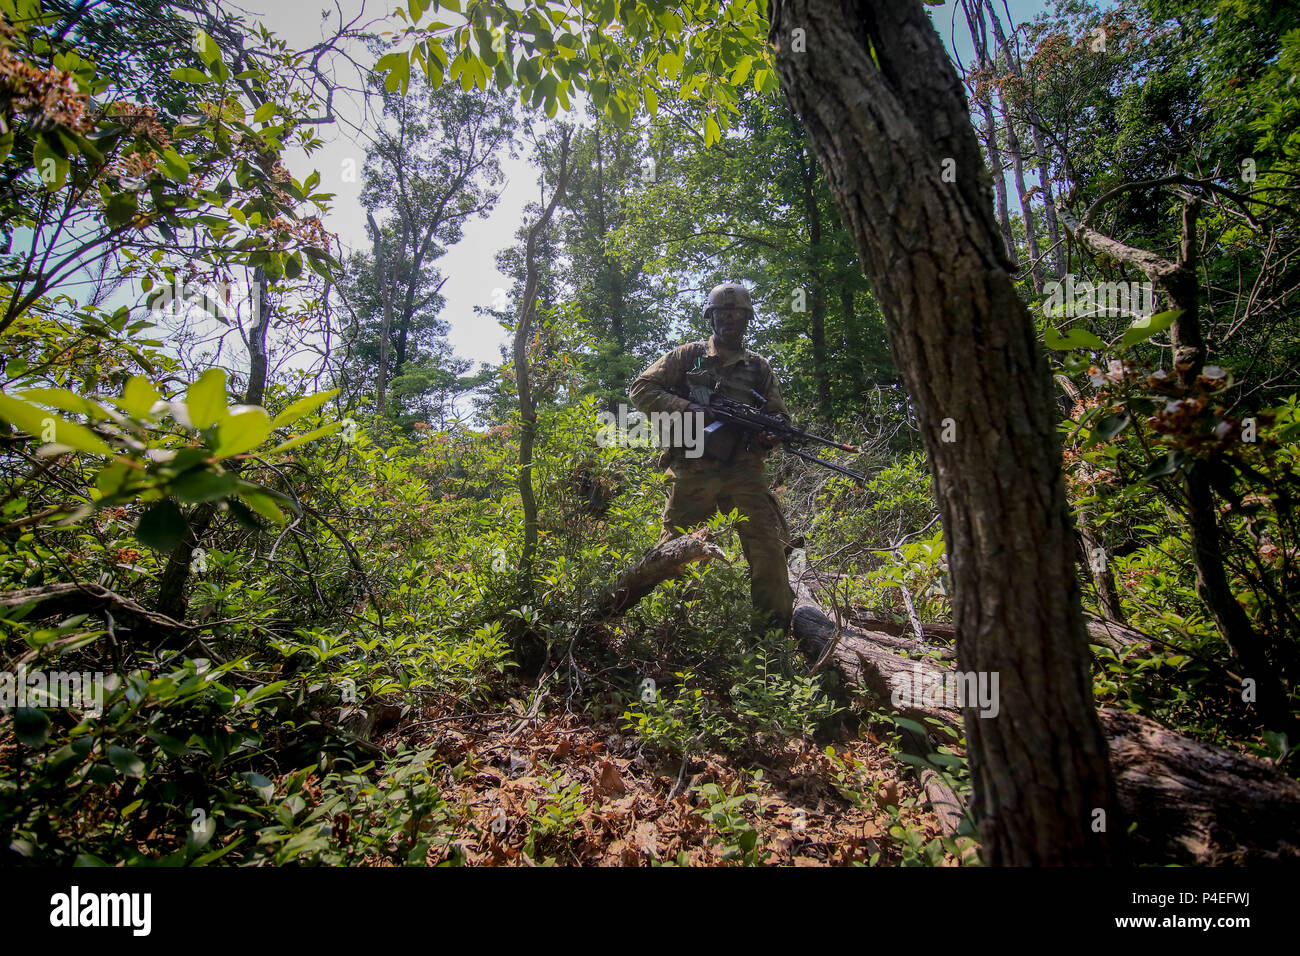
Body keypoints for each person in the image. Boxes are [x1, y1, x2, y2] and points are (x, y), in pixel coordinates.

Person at [629, 281, 796, 638]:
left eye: (737, 313)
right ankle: (678, 636)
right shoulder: (688, 356)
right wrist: (689, 408)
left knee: (769, 550)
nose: (730, 318)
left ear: (748, 319)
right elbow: (641, 389)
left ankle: (772, 641)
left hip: (744, 470)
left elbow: (778, 416)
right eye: (723, 312)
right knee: (678, 550)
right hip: (693, 467)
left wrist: (773, 434)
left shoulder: (759, 367)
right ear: (711, 317)